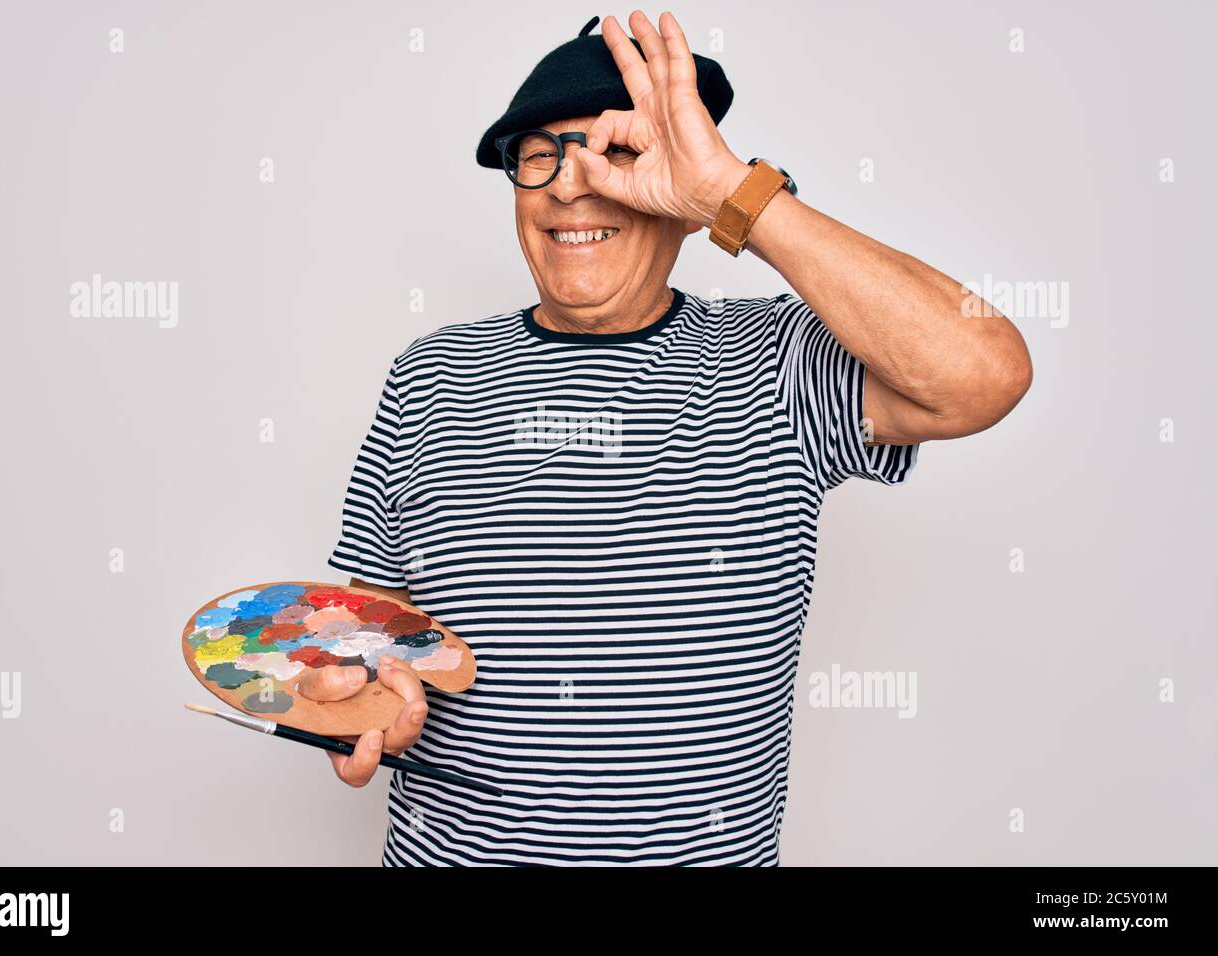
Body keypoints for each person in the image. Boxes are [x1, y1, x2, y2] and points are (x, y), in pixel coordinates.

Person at [300, 12, 1031, 865]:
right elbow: (366, 635)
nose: (569, 187)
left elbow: (985, 373)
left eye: (614, 153)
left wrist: (737, 196)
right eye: (539, 153)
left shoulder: (780, 364)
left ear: (684, 204)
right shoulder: (431, 373)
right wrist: (351, 703)